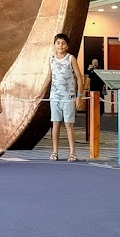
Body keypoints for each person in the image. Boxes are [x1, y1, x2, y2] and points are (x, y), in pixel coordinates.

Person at [42, 33, 84, 162]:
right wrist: (41, 93)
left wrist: (79, 96)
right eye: (58, 43)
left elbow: (79, 77)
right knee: (55, 124)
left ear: (67, 46)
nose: (60, 45)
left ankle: (72, 153)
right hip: (55, 97)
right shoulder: (51, 59)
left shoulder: (70, 58)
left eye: (63, 43)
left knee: (69, 125)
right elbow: (49, 77)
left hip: (68, 97)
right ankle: (55, 151)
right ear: (54, 45)